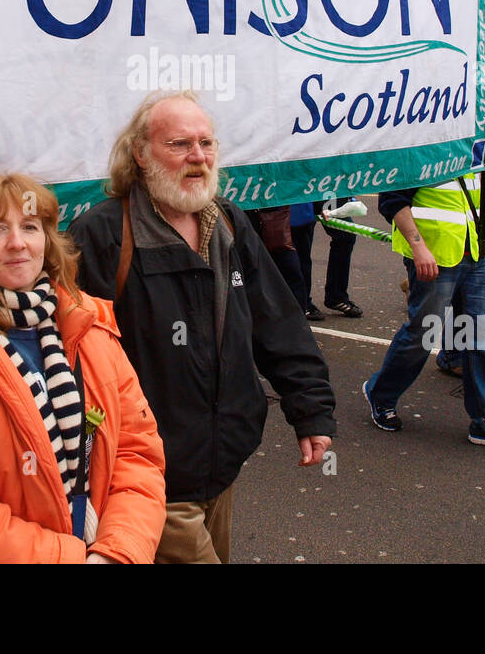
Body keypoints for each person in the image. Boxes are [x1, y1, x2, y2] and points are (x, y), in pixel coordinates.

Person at [68, 92, 336, 563]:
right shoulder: (103, 234)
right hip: (148, 475)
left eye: (206, 143)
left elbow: (278, 322)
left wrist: (310, 410)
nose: (198, 157)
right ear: (140, 153)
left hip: (222, 462)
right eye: (179, 144)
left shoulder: (229, 223)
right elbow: (70, 355)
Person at [0, 174, 168, 563]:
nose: (17, 242)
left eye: (30, 226)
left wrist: (118, 551)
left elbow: (137, 455)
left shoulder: (90, 327)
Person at [363, 135, 485, 447]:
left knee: (480, 334)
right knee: (421, 333)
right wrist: (419, 248)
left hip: (476, 254)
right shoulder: (417, 141)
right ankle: (381, 393)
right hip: (435, 256)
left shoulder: (475, 146)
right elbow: (392, 201)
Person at [290, 199, 361, 320]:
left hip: (327, 191)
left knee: (346, 235)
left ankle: (336, 296)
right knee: (302, 244)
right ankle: (302, 301)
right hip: (302, 193)